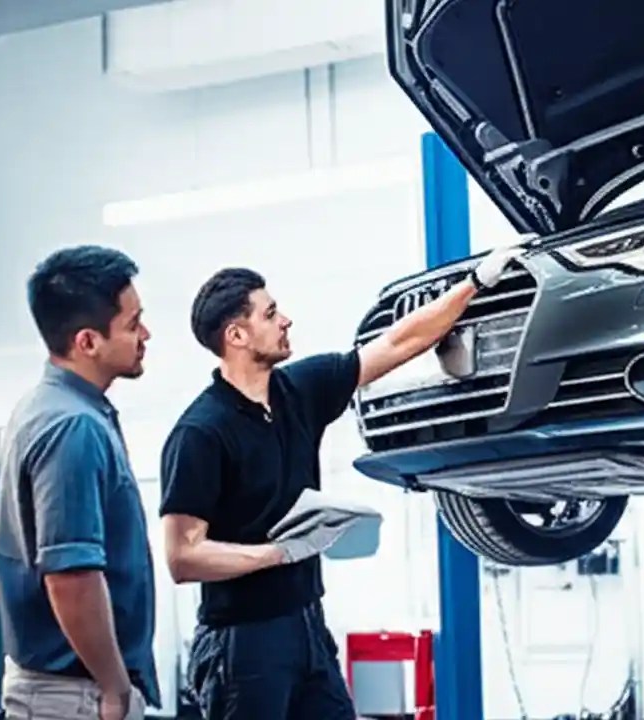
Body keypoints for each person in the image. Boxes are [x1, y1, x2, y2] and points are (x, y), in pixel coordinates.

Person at [158, 243, 523, 719]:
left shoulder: (298, 391)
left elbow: (398, 343)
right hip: (242, 642)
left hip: (307, 625)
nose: (285, 320)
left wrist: (475, 283)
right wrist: (279, 553)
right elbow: (183, 557)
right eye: (270, 314)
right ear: (237, 335)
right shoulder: (201, 433)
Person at [0, 245, 159, 720]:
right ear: (88, 342)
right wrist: (114, 688)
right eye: (133, 324)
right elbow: (72, 578)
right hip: (78, 694)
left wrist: (26, 600)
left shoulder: (41, 406)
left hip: (57, 686)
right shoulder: (73, 427)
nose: (146, 334)